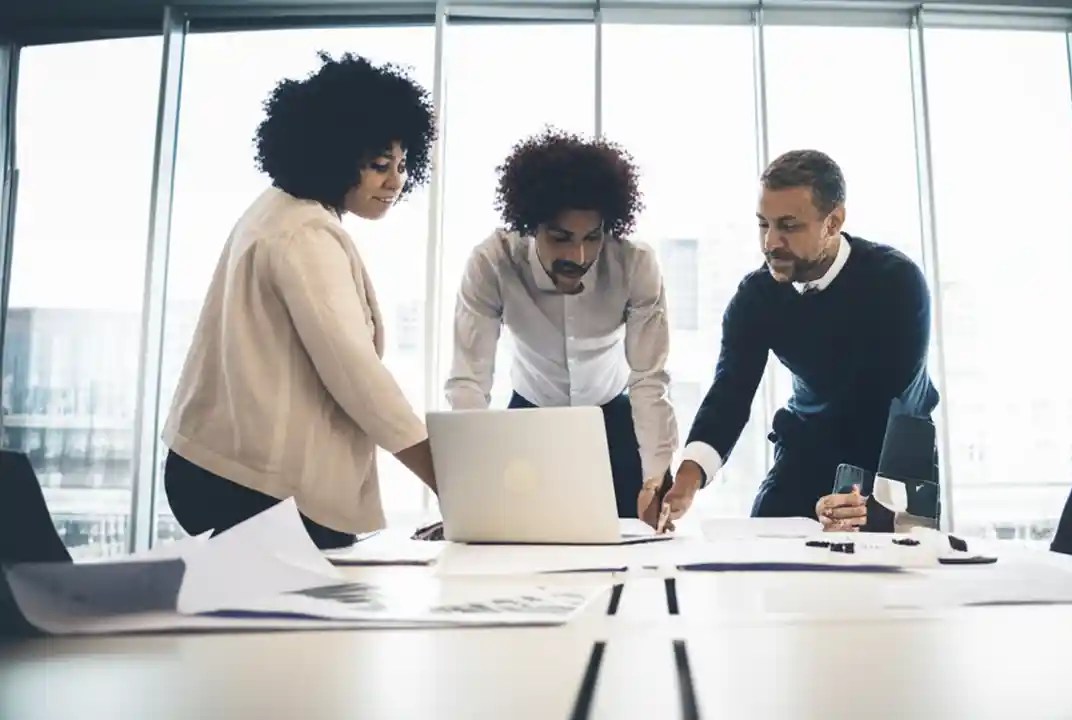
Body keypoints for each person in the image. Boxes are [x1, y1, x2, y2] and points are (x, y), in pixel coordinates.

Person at [162, 52, 438, 549]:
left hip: (222, 465)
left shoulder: (275, 212)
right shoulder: (304, 232)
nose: (395, 181)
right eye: (379, 165)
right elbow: (355, 372)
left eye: (402, 164)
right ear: (332, 152)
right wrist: (446, 476)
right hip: (254, 484)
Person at [659, 149, 939, 532]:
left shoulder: (896, 282)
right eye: (764, 225)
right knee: (763, 544)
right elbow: (730, 391)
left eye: (788, 226)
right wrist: (687, 480)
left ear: (833, 222)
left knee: (885, 579)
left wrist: (854, 494)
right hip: (808, 445)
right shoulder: (757, 297)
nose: (771, 242)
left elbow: (891, 399)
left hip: (894, 452)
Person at [445, 127, 678, 520]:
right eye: (561, 238)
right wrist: (471, 474)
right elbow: (469, 380)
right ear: (531, 225)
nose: (580, 253)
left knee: (630, 549)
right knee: (523, 548)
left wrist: (656, 474)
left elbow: (648, 378)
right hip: (529, 419)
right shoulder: (492, 263)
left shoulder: (635, 263)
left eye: (593, 236)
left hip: (613, 421)